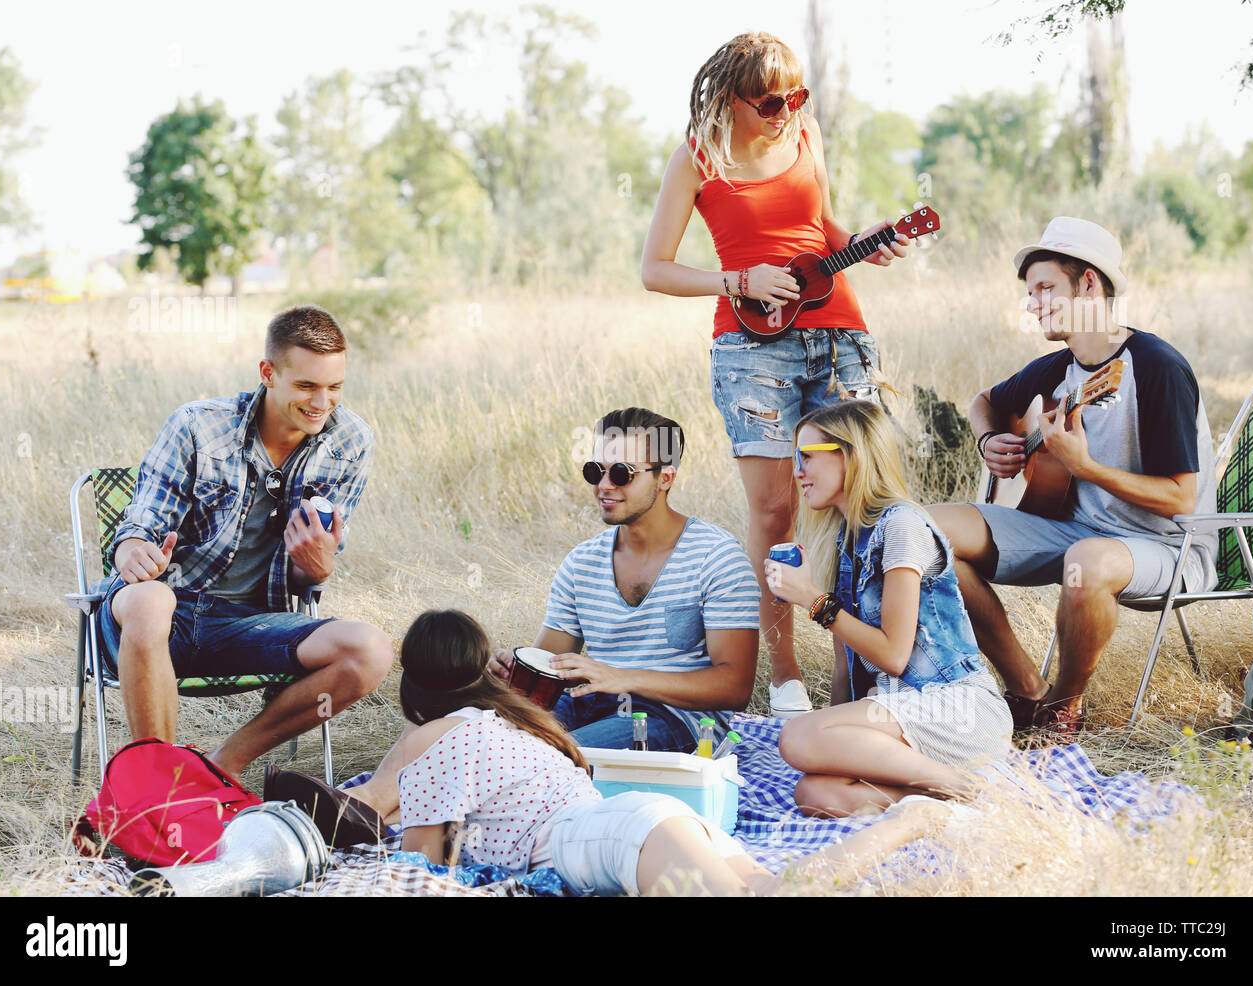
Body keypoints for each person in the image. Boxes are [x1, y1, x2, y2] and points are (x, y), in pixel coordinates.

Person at [642, 31, 912, 717]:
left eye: (796, 96)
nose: (785, 111)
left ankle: (865, 669)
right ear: (731, 98)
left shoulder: (807, 135)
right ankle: (785, 669)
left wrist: (863, 244)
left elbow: (819, 227)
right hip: (753, 350)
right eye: (768, 102)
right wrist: (737, 279)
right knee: (774, 510)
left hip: (839, 333)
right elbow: (655, 269)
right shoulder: (698, 157)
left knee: (864, 501)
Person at [343, 609, 948, 895]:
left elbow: (420, 872)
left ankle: (913, 820)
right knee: (776, 892)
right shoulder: (513, 721)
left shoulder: (432, 738)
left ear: (414, 693)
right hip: (645, 819)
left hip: (617, 836)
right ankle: (908, 825)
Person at [927, 217, 1217, 736]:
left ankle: (1062, 708)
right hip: (1076, 530)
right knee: (923, 533)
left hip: (1170, 545)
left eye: (1045, 288)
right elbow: (984, 403)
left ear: (1088, 283)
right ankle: (1024, 688)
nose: (1033, 302)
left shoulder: (1155, 367)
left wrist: (1085, 468)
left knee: (1086, 561)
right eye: (1030, 291)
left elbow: (1182, 498)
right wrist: (989, 440)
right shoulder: (1059, 367)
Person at [97, 304, 394, 781]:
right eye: (306, 386)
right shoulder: (198, 425)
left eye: (334, 387)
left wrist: (317, 568)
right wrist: (133, 550)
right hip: (160, 617)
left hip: (252, 624)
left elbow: (305, 577)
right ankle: (154, 785)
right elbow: (142, 521)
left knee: (371, 650)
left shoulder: (350, 442)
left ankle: (219, 768)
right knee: (151, 600)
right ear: (267, 373)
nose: (322, 402)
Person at [764, 400, 1012, 817]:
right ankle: (953, 806)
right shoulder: (846, 541)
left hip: (957, 709)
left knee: (796, 737)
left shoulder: (902, 526)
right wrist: (829, 741)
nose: (797, 471)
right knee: (814, 793)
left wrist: (811, 599)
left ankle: (964, 786)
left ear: (851, 455)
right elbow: (846, 667)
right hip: (900, 716)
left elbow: (895, 655)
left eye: (806, 457)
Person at [489, 406, 761, 753]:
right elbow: (548, 666)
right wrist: (510, 673)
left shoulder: (716, 557)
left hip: (675, 718)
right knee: (474, 729)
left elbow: (735, 687)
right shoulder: (582, 563)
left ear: (665, 478)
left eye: (621, 474)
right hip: (591, 703)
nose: (604, 486)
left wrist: (623, 677)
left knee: (551, 760)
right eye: (595, 471)